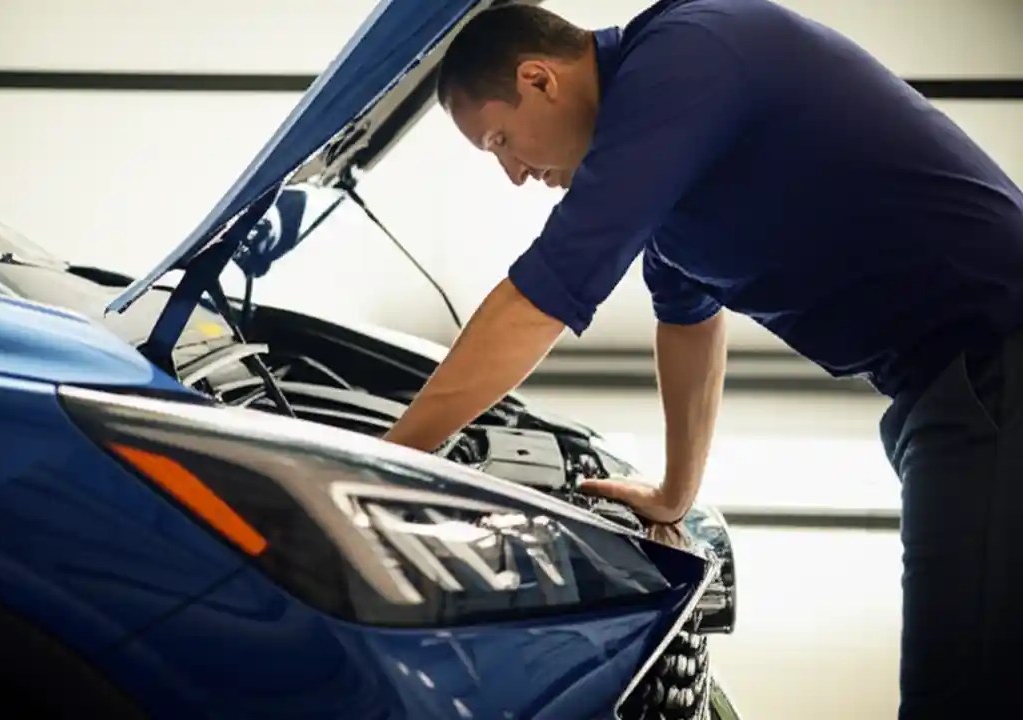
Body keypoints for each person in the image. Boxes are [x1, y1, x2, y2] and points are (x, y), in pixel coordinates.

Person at [380, 1, 1023, 717]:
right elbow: (688, 322)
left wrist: (386, 463)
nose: (513, 173)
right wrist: (675, 492)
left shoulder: (688, 56)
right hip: (953, 386)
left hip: (997, 361)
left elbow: (544, 294)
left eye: (500, 139)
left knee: (958, 694)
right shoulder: (673, 163)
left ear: (539, 79)